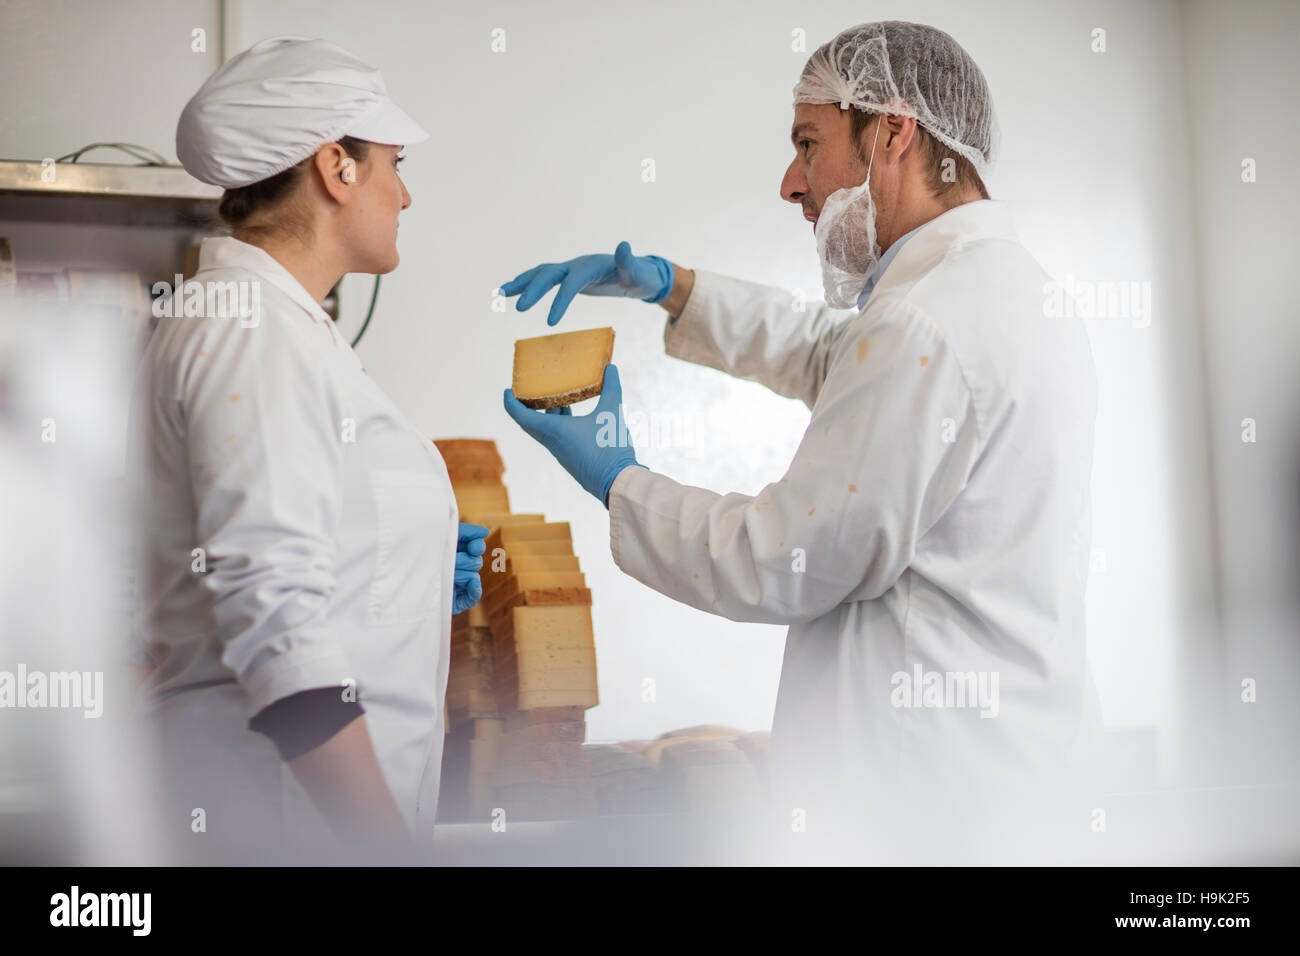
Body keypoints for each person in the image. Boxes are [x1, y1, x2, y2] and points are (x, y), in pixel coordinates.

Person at [500, 21, 1102, 858]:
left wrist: (619, 479)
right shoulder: (1009, 293)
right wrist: (673, 289)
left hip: (919, 801)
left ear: (893, 131)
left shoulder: (923, 325)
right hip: (998, 778)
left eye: (808, 143)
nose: (792, 182)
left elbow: (785, 556)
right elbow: (836, 352)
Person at [127, 37, 487, 863]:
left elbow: (288, 566)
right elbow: (276, 622)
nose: (406, 194)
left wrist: (410, 574)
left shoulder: (281, 327)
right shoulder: (246, 326)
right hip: (278, 824)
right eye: (393, 163)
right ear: (338, 168)